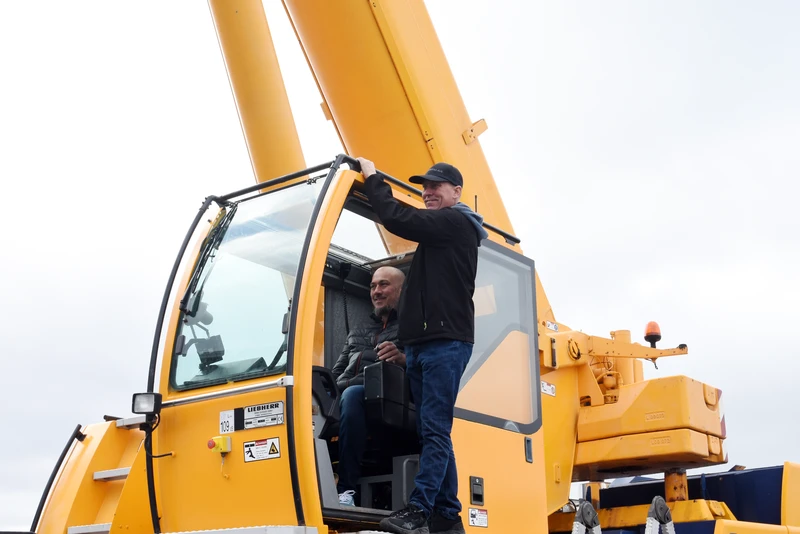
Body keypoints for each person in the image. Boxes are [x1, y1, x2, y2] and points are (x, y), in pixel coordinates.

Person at [357, 157, 488, 534]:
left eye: (436, 186)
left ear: (456, 192)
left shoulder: (456, 223)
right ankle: (447, 513)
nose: (427, 192)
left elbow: (399, 218)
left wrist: (373, 178)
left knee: (434, 430)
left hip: (443, 345)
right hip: (423, 346)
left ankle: (419, 508)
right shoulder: (439, 239)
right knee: (434, 432)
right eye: (424, 187)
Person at [331, 265, 407, 507]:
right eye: (373, 286)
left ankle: (346, 491)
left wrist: (403, 359)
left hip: (386, 399)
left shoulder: (411, 328)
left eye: (384, 284)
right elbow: (335, 372)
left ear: (401, 290)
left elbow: (427, 365)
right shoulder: (358, 331)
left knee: (352, 394)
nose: (376, 291)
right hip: (347, 394)